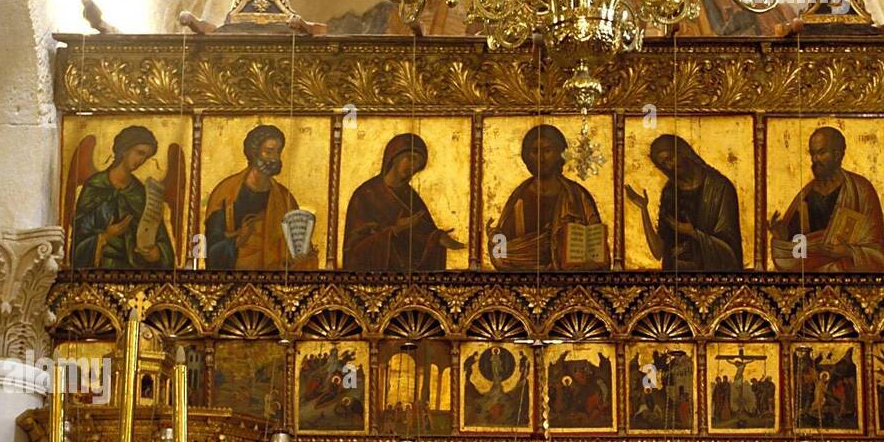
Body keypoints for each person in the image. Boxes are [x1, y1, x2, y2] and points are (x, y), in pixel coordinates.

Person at [769, 126, 884, 271]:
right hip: (810, 282)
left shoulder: (861, 191)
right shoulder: (806, 196)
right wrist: (783, 237)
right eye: (812, 154)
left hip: (850, 282)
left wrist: (849, 251)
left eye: (821, 153)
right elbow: (795, 253)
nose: (815, 159)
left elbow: (878, 253)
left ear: (838, 154)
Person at [342, 132, 464, 271]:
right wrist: (394, 230)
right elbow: (353, 249)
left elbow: (423, 234)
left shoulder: (411, 197)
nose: (413, 167)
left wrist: (437, 237)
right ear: (394, 156)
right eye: (410, 158)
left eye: (418, 164)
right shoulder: (366, 194)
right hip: (377, 279)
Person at [492, 125, 606, 271]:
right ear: (526, 156)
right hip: (522, 278)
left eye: (547, 151)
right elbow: (503, 246)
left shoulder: (577, 196)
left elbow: (595, 247)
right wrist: (495, 244)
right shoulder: (519, 197)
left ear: (560, 154)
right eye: (534, 151)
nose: (541, 158)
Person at [204, 124, 317, 270]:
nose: (275, 158)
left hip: (275, 280)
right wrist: (237, 240)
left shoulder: (284, 198)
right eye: (269, 152)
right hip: (235, 280)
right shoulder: (226, 193)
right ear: (254, 153)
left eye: (278, 152)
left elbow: (299, 246)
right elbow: (211, 248)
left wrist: (302, 258)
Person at [625, 134, 742, 270]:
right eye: (663, 164)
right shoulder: (670, 192)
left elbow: (730, 251)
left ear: (683, 153)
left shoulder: (719, 188)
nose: (669, 166)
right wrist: (643, 209)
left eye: (670, 158)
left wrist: (693, 233)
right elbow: (658, 251)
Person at [71, 126, 175, 270]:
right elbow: (79, 234)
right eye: (139, 153)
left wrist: (157, 252)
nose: (141, 160)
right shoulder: (95, 185)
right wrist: (105, 236)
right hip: (100, 271)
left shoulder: (141, 193)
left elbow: (160, 236)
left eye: (146, 157)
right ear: (124, 149)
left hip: (134, 272)